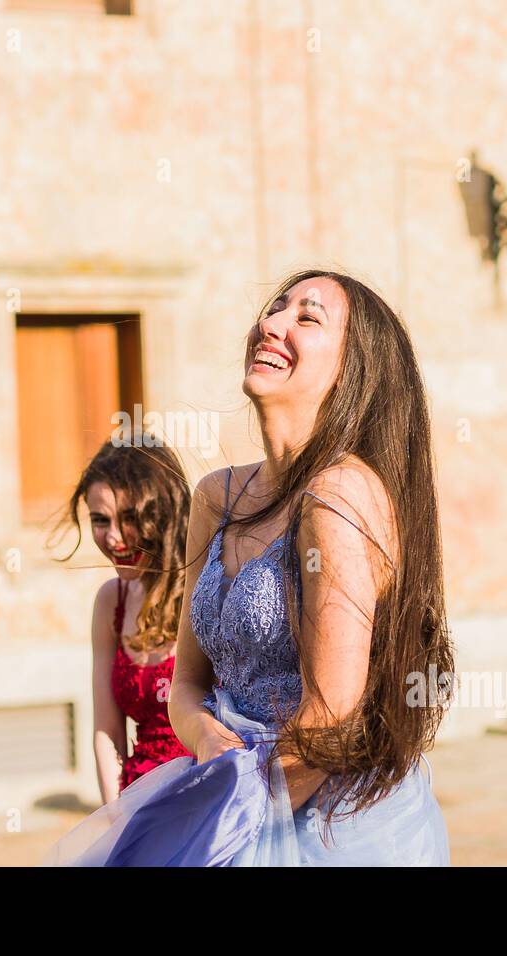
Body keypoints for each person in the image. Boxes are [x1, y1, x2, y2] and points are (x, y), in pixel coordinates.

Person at [45, 270, 454, 865]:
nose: (271, 323)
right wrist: (205, 737)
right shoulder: (216, 496)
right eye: (274, 309)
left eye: (306, 318)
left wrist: (225, 819)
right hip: (223, 785)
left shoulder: (340, 495)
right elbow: (186, 685)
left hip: (319, 823)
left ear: (353, 370)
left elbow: (330, 720)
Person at [63, 437, 193, 802]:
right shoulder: (110, 601)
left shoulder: (205, 590)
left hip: (207, 801)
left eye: (130, 519)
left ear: (165, 514)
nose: (115, 538)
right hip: (138, 801)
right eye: (100, 520)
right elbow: (107, 732)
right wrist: (115, 818)